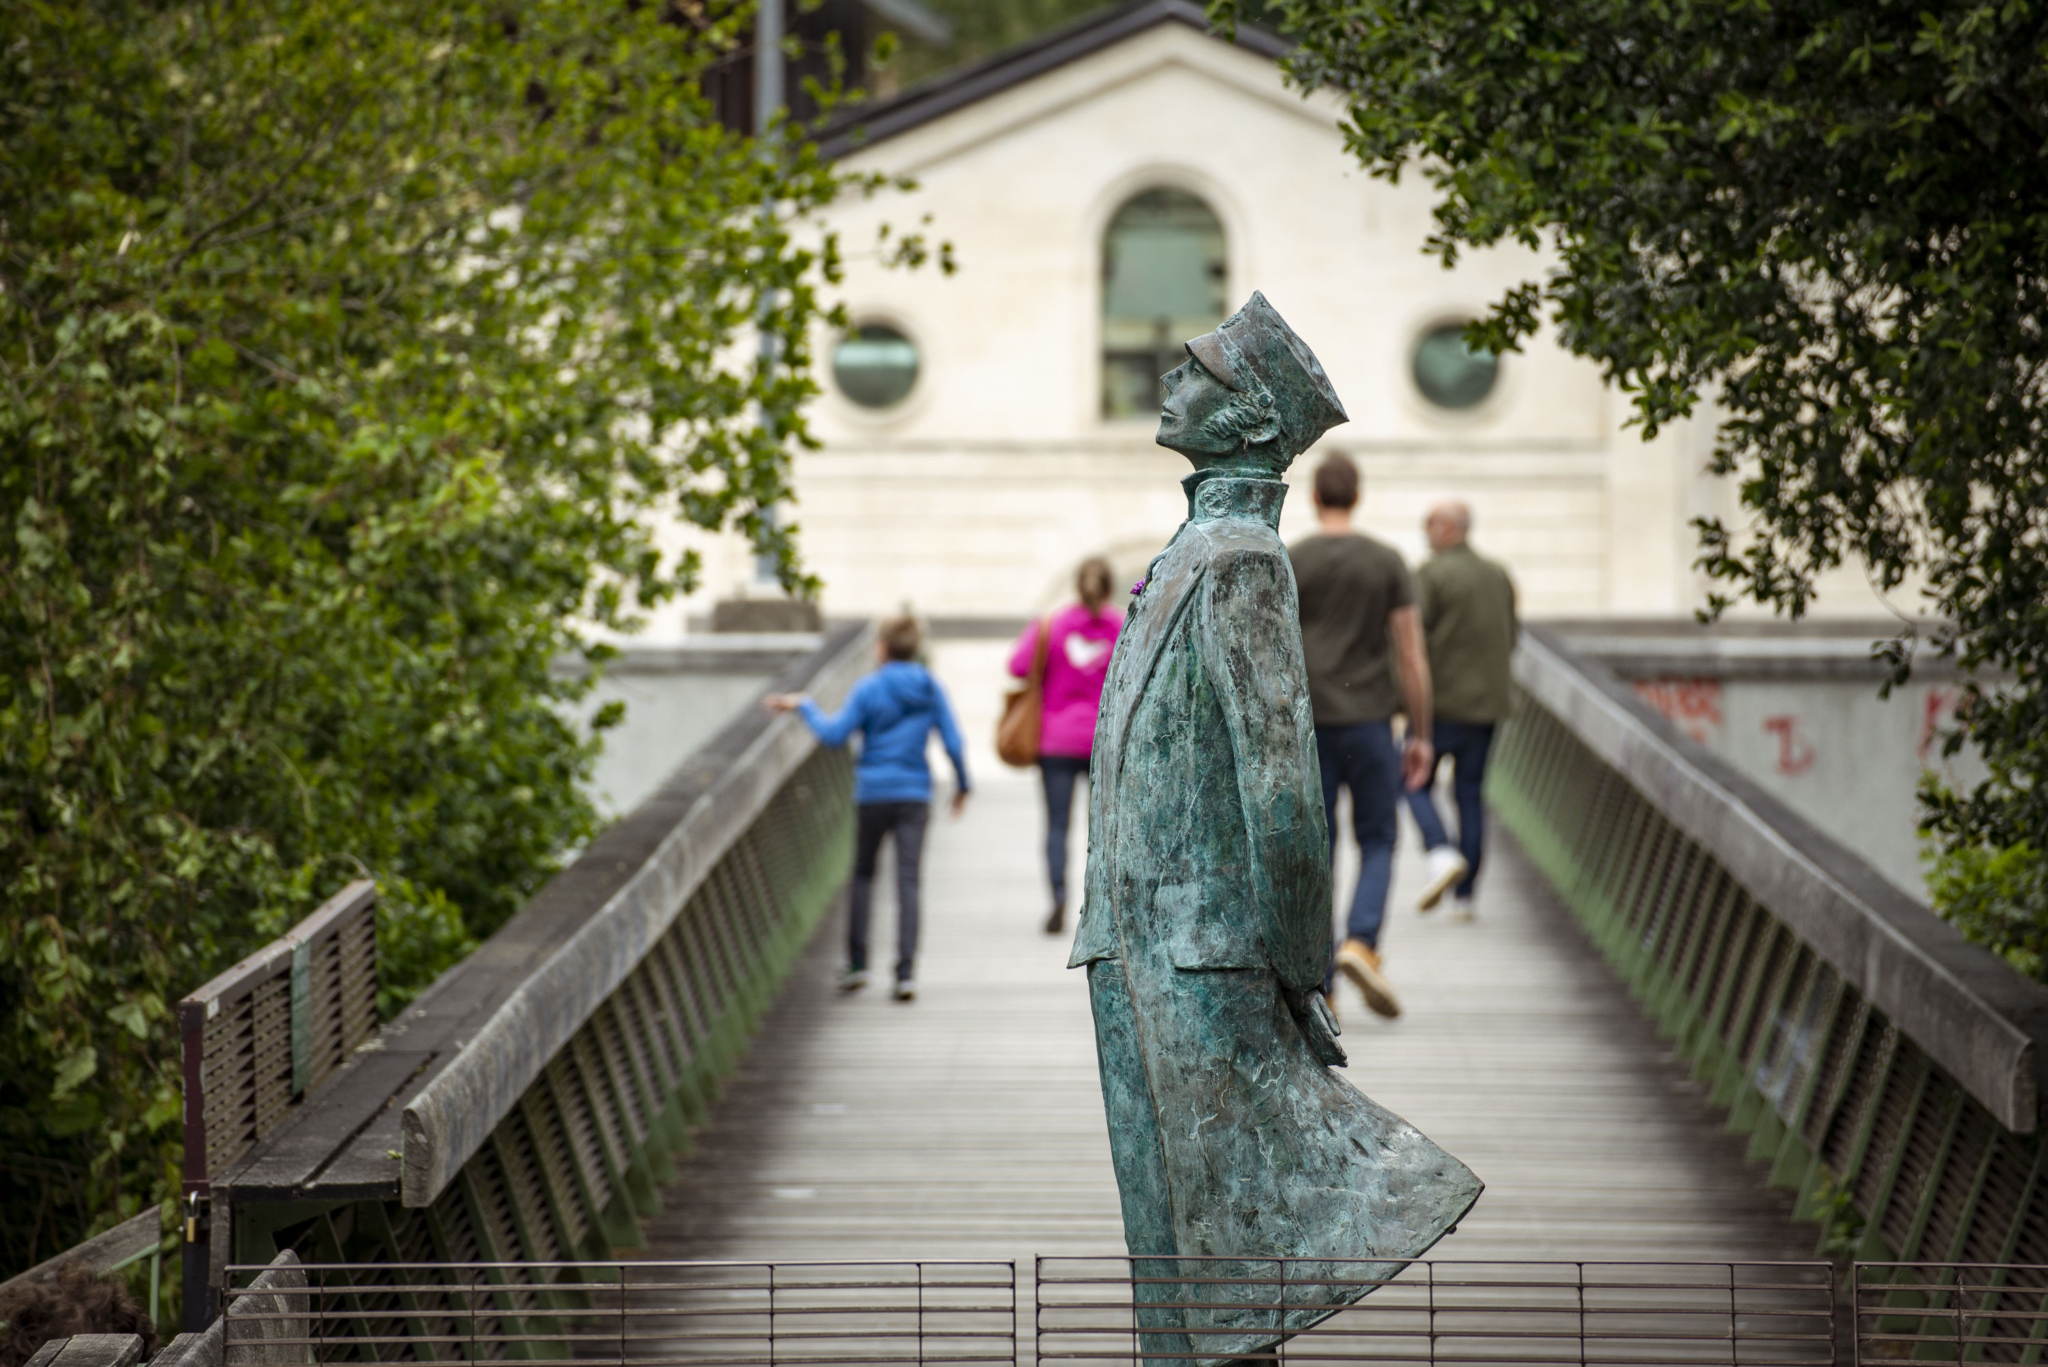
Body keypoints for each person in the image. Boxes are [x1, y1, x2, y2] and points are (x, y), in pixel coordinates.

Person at [1069, 291, 1480, 1363]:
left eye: (1196, 370)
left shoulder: (1242, 559)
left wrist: (1301, 972)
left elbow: (1284, 795)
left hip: (1200, 961)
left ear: (1248, 420)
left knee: (1221, 1280)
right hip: (1138, 948)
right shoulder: (1197, 549)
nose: (1169, 378)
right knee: (1178, 1267)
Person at [1287, 451, 1434, 1020]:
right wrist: (1420, 732)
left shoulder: (1292, 559)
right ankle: (1361, 941)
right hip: (1372, 723)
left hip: (1309, 728)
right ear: (1358, 495)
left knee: (1316, 852)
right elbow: (1411, 654)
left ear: (1315, 497)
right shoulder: (1387, 562)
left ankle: (1322, 989)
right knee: (1378, 838)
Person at [765, 615, 969, 1001]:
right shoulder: (929, 687)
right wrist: (963, 785)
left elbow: (834, 736)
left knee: (863, 876)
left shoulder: (868, 688)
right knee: (908, 881)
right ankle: (905, 973)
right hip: (914, 795)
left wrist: (805, 706)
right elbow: (954, 742)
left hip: (872, 793)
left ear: (882, 648)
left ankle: (857, 966)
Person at [1407, 500, 1518, 920]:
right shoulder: (1497, 575)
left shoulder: (1431, 575)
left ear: (1450, 529)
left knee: (1411, 782)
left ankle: (1440, 847)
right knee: (1470, 795)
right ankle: (1466, 897)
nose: (1426, 533)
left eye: (1431, 524)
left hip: (1440, 708)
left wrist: (1408, 700)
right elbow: (1512, 635)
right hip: (1488, 707)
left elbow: (1412, 643)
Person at [1007, 557, 1123, 935]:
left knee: (1057, 825)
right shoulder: (1121, 625)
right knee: (1103, 829)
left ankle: (1057, 897)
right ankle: (1101, 907)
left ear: (1078, 587)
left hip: (1054, 741)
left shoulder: (1051, 625)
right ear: (1108, 590)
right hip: (1102, 743)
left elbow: (1018, 666)